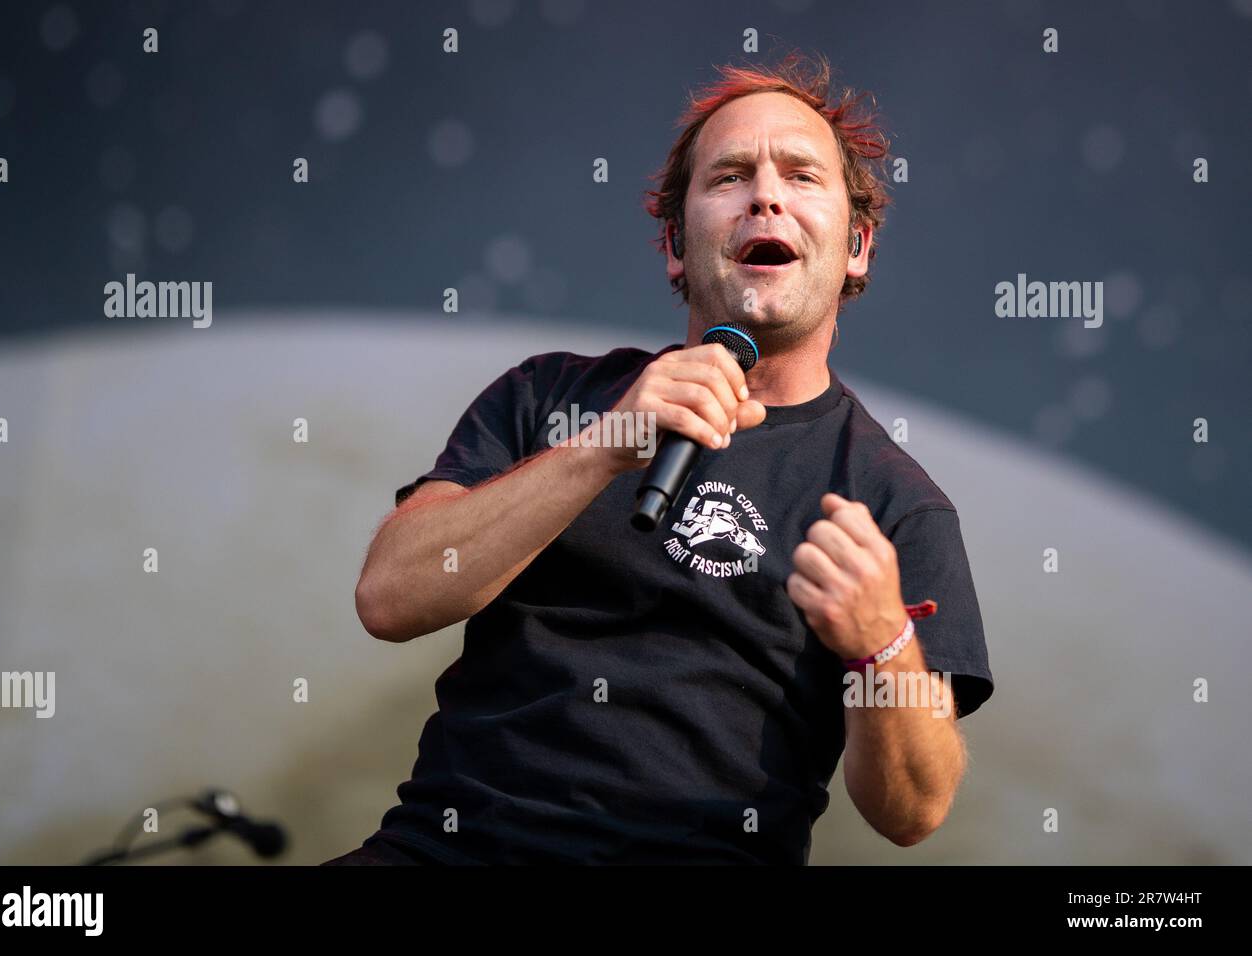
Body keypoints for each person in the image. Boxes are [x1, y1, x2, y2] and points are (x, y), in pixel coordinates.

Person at [328, 52, 993, 866]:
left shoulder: (894, 503)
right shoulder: (552, 395)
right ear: (677, 246)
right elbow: (389, 598)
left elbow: (915, 809)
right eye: (730, 176)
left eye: (801, 174)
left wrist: (881, 639)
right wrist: (602, 448)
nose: (766, 194)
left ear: (856, 247)